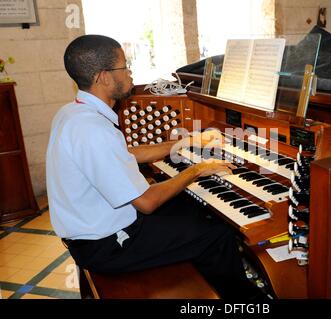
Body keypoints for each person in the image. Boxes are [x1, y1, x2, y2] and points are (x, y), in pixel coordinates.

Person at [46, 34, 262, 299]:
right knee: (216, 235)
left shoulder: (72, 112)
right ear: (103, 77)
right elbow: (147, 202)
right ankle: (246, 301)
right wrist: (197, 169)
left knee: (190, 207)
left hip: (95, 232)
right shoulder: (92, 128)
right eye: (124, 67)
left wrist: (188, 141)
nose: (129, 73)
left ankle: (205, 273)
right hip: (108, 245)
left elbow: (125, 154)